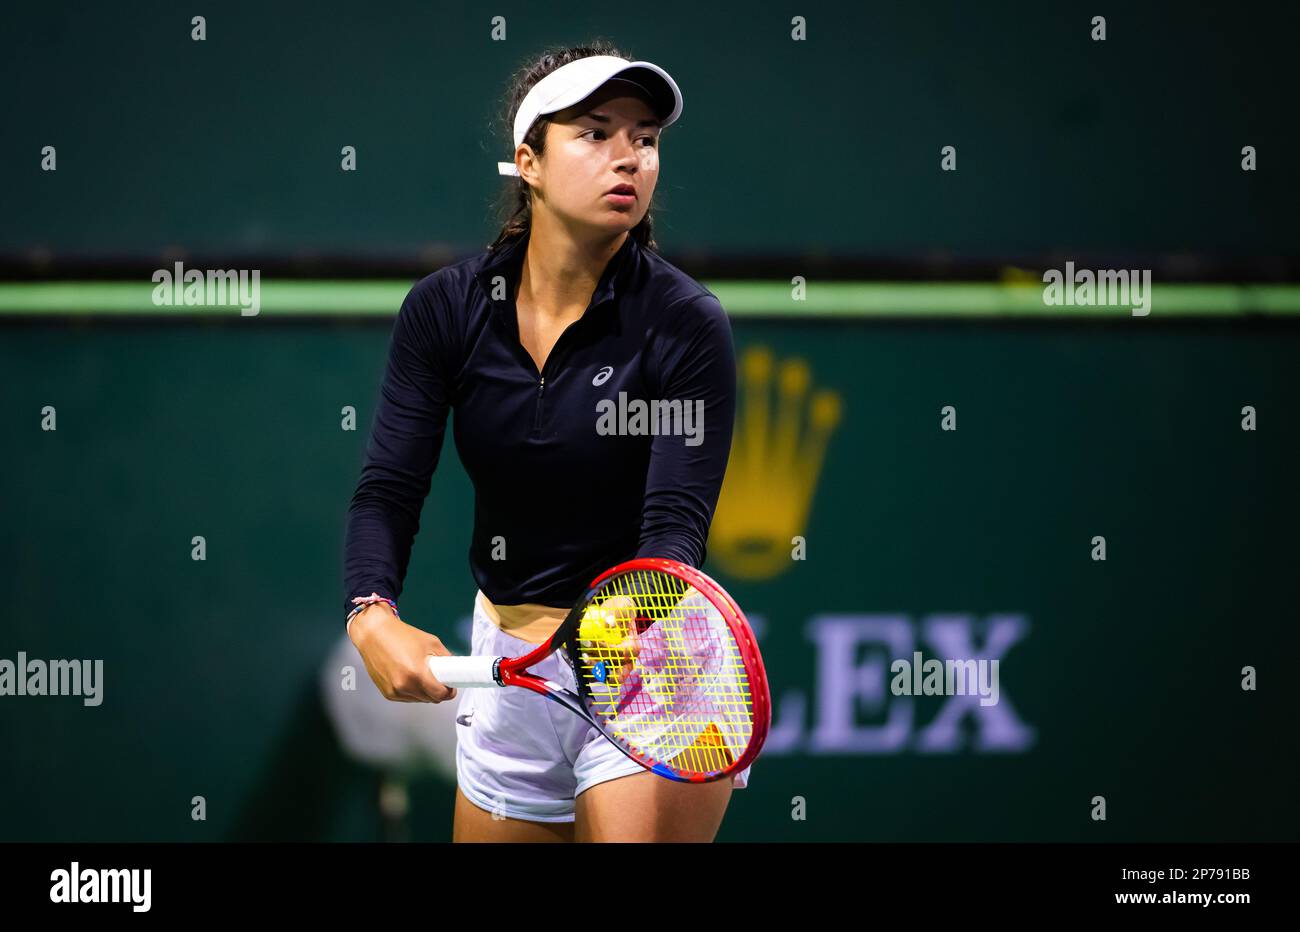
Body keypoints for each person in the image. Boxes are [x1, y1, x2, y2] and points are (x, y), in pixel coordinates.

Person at [342, 41, 744, 842]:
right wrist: (371, 615)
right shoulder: (445, 310)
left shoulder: (685, 324)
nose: (628, 155)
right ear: (527, 161)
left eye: (646, 138)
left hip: (647, 662)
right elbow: (389, 487)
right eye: (596, 133)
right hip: (503, 665)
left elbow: (672, 531)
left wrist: (618, 636)